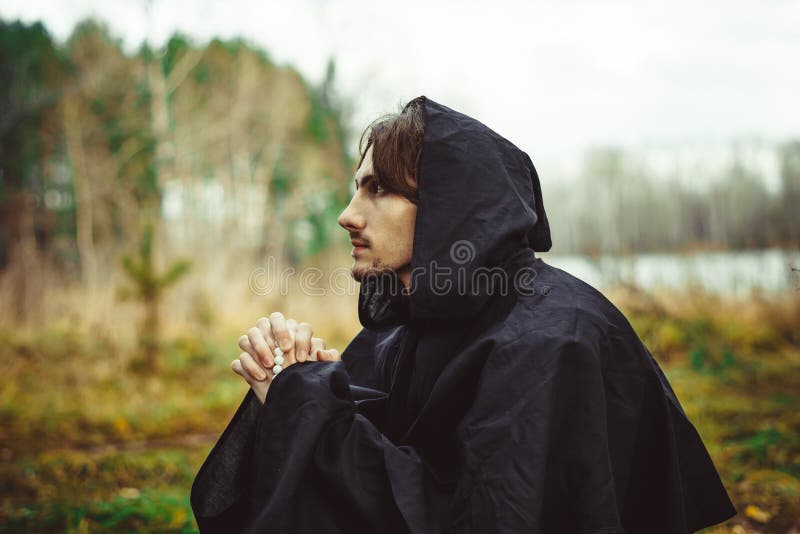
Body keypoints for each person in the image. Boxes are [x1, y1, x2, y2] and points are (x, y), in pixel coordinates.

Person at [191, 96, 736, 533]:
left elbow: (473, 515)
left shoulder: (550, 341)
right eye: (357, 187)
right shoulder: (415, 321)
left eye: (378, 189)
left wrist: (308, 402)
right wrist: (299, 383)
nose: (347, 215)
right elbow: (411, 450)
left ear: (452, 207)